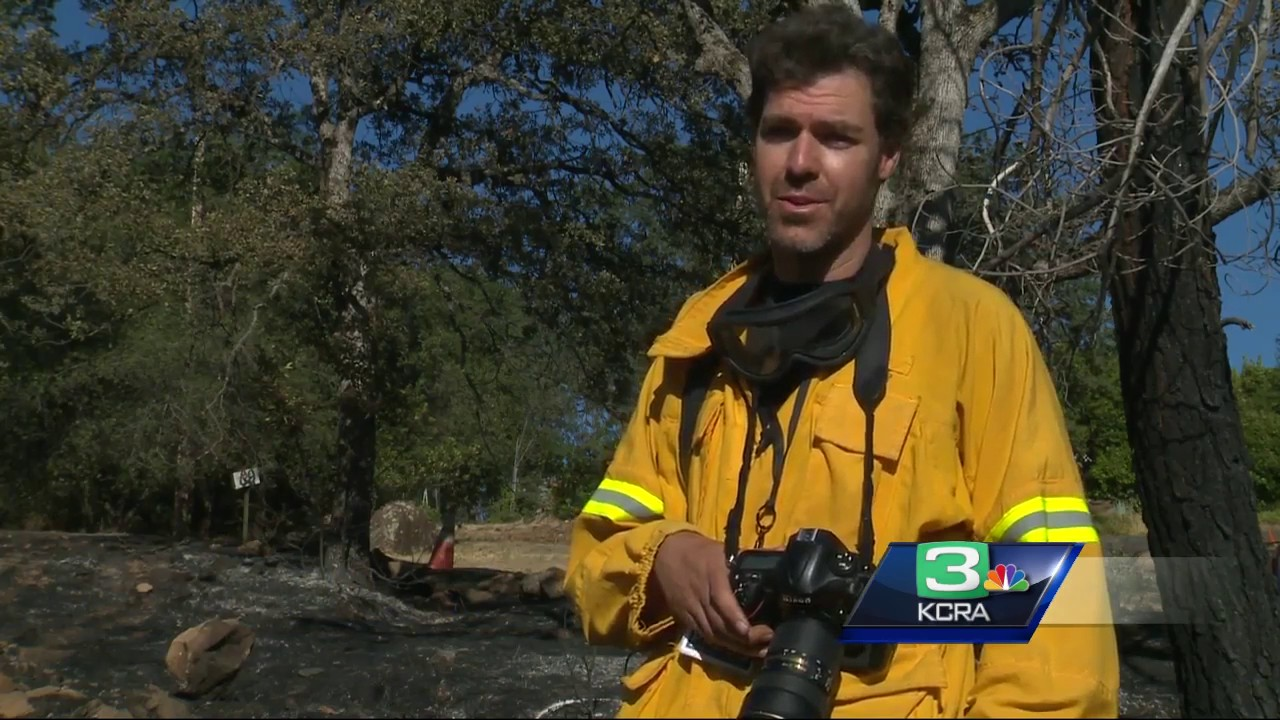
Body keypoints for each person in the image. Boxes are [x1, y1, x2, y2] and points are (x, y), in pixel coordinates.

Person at [564, 5, 1120, 718]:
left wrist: (879, 594)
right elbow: (590, 570)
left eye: (835, 137)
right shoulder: (694, 348)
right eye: (778, 132)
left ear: (886, 155)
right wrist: (663, 561)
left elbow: (1051, 599)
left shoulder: (972, 332)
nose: (800, 162)